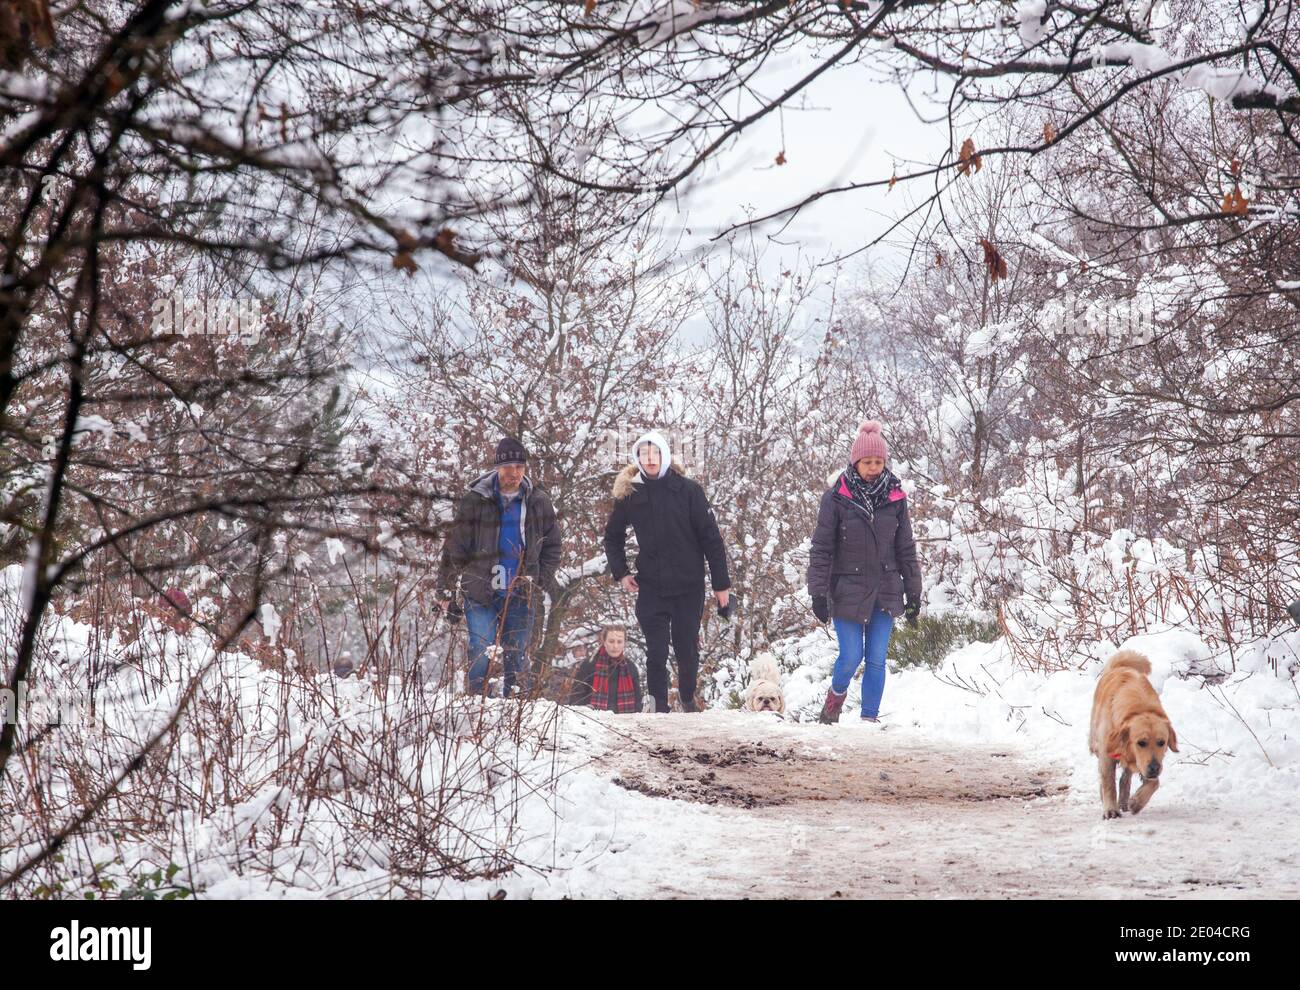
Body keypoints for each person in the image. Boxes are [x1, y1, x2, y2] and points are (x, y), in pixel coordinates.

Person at [603, 430, 731, 713]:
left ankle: (687, 697)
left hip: (689, 585)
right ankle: (659, 706)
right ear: (637, 458)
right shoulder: (630, 496)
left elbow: (712, 539)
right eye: (644, 454)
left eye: (655, 453)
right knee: (656, 651)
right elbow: (612, 537)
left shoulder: (689, 491)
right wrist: (622, 572)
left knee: (687, 650)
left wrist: (721, 585)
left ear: (664, 455)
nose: (650, 459)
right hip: (651, 585)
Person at [806, 420, 922, 724]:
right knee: (851, 655)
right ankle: (834, 700)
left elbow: (905, 548)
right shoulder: (836, 498)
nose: (873, 468)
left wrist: (914, 593)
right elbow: (821, 548)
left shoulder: (895, 498)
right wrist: (818, 592)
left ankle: (868, 721)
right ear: (855, 462)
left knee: (876, 660)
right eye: (867, 462)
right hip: (847, 589)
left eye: (879, 462)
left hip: (885, 588)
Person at [437, 437, 562, 696]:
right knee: (480, 652)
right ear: (497, 467)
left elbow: (553, 545)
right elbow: (454, 548)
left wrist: (540, 578)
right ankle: (474, 709)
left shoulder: (538, 501)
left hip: (520, 591)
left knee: (516, 656)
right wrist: (445, 592)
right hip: (480, 589)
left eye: (519, 466)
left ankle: (513, 719)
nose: (514, 473)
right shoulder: (476, 500)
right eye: (508, 467)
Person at [568, 625, 643, 713]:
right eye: (611, 641)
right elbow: (576, 697)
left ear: (624, 643)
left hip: (625, 722)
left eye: (619, 642)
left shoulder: (630, 667)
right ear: (604, 641)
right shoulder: (589, 665)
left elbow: (637, 701)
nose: (615, 646)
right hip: (593, 721)